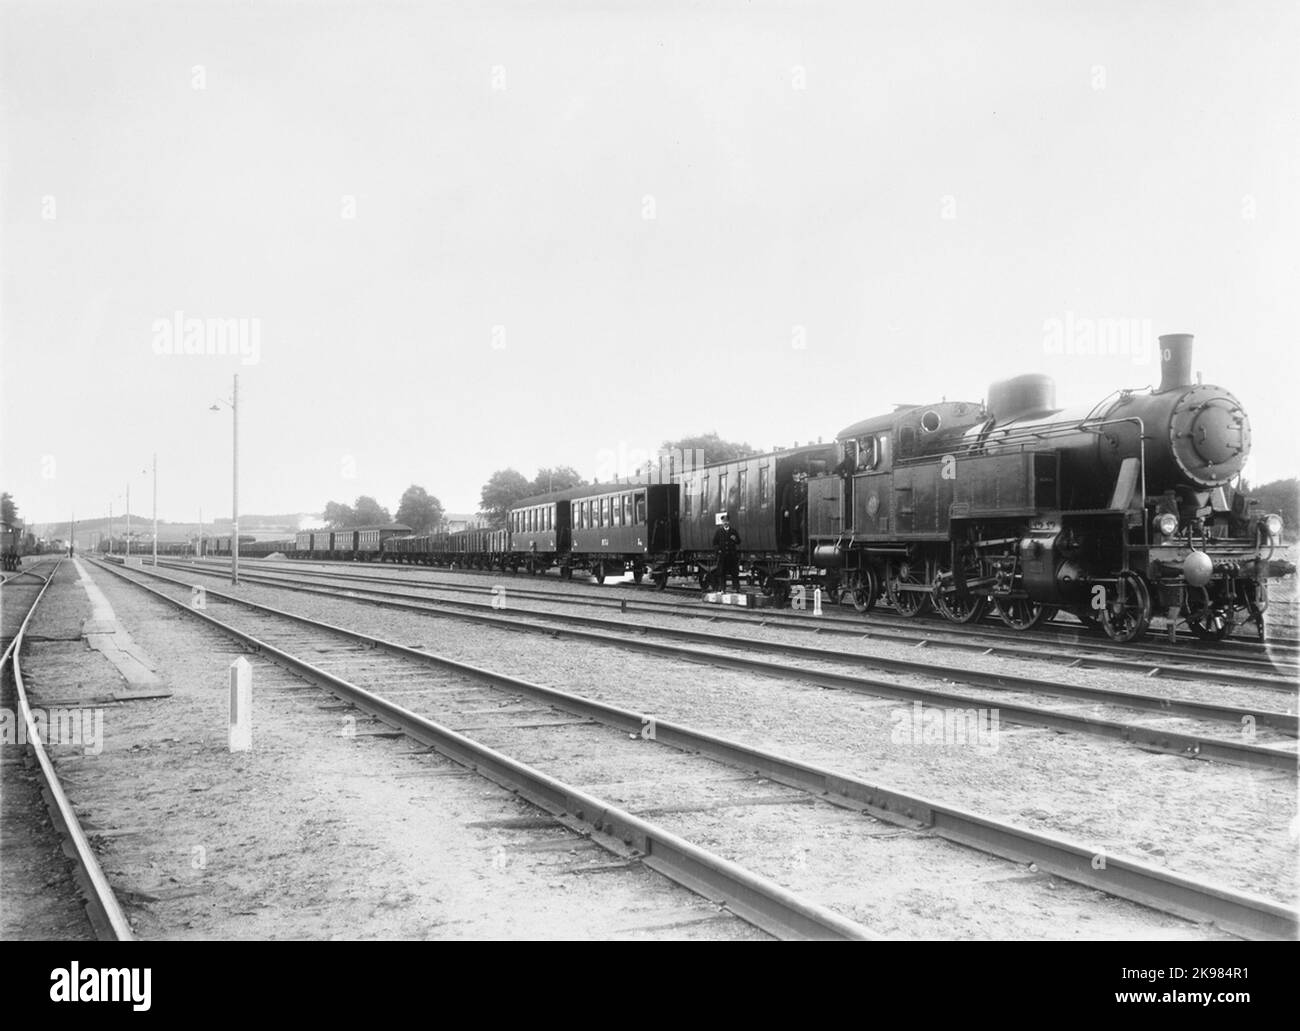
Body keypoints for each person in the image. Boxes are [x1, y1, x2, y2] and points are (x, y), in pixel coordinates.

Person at [712, 514, 742, 592]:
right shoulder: (719, 532)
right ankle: (722, 588)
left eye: (726, 521)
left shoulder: (733, 531)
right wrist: (718, 550)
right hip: (722, 556)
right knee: (722, 573)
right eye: (724, 521)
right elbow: (715, 543)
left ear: (729, 522)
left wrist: (735, 539)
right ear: (722, 522)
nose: (725, 523)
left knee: (734, 573)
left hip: (732, 556)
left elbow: (739, 541)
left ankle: (736, 588)